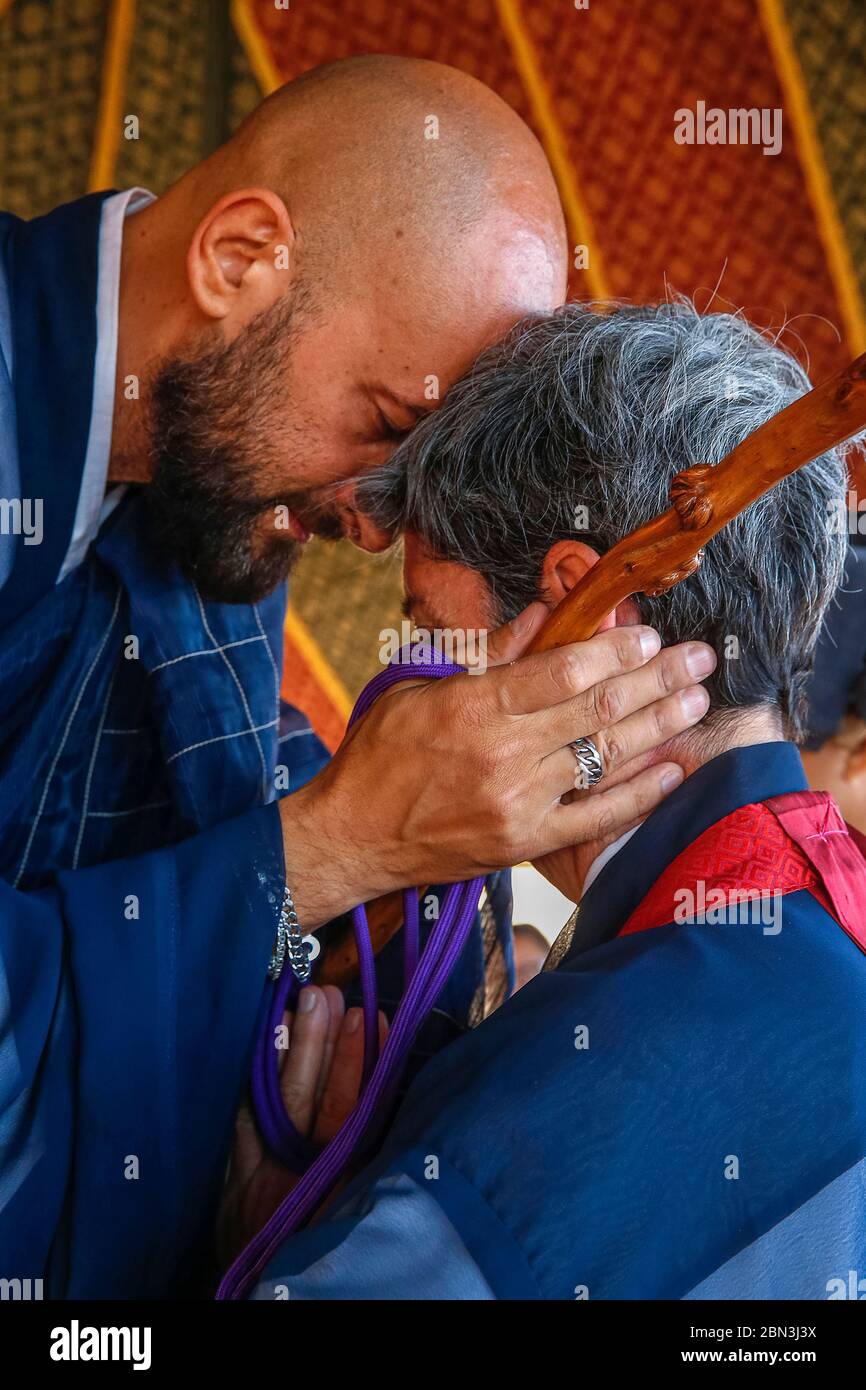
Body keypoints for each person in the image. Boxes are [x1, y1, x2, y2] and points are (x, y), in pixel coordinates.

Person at [0, 58, 714, 1298]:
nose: (378, 529)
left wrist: (384, 930)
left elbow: (209, 770)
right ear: (237, 260)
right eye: (387, 426)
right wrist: (337, 844)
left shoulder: (213, 475)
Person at [242, 301, 866, 1299]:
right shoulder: (820, 932)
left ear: (587, 619)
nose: (420, 694)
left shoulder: (579, 1079)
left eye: (435, 635)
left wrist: (277, 1218)